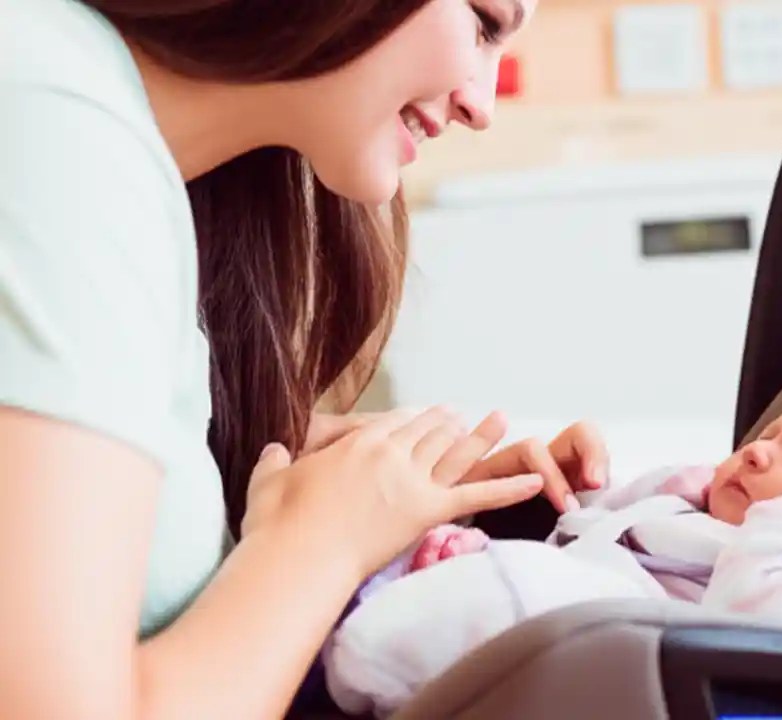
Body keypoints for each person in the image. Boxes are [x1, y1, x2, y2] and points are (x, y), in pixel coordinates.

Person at [0, 1, 610, 718]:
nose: (482, 103)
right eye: (482, 22)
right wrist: (323, 544)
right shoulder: (52, 129)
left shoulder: (111, 141)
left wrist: (370, 495)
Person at [321, 390, 782, 717]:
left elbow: (760, 636)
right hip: (553, 595)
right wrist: (608, 494)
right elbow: (597, 532)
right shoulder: (695, 508)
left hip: (607, 651)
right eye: (771, 435)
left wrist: (777, 535)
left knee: (527, 580)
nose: (758, 449)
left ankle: (377, 642)